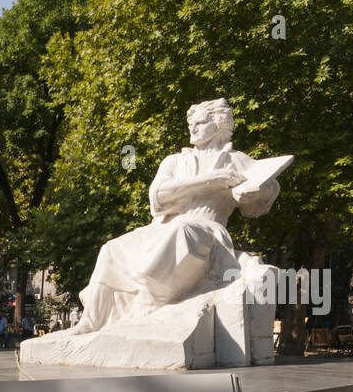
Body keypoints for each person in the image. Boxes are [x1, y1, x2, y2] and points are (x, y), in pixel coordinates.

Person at [61, 98, 282, 336]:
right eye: (191, 124)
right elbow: (157, 198)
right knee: (111, 248)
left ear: (218, 125)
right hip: (164, 227)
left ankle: (150, 303)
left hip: (208, 230)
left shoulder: (236, 160)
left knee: (183, 232)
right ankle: (92, 319)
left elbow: (260, 198)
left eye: (199, 123)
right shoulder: (175, 161)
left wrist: (258, 192)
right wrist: (210, 181)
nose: (192, 128)